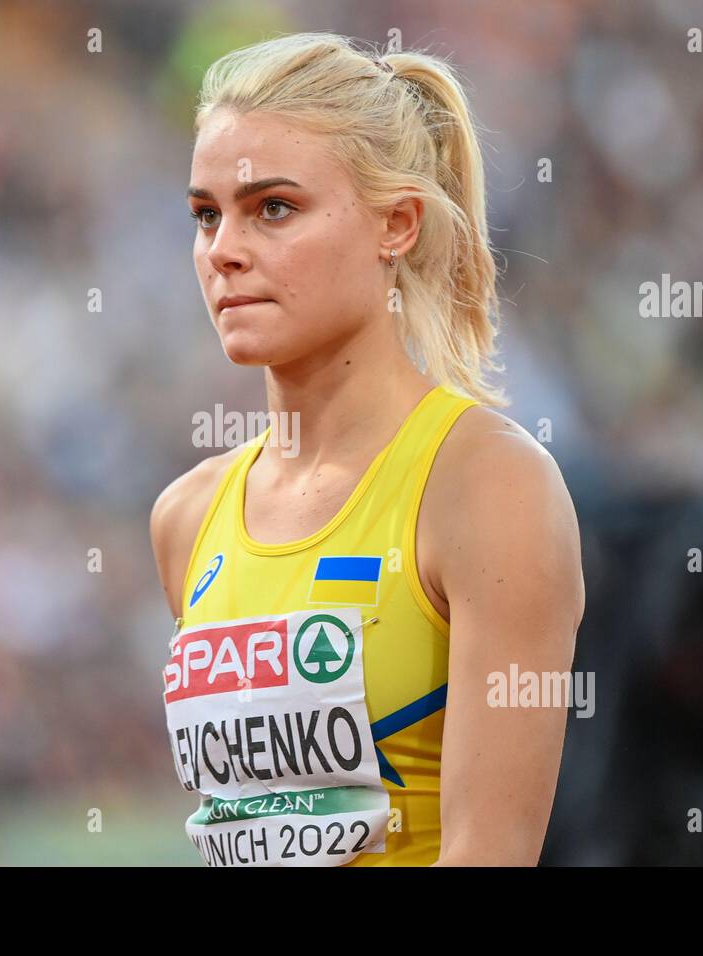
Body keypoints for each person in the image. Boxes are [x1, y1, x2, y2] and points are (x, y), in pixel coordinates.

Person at [150, 32, 585, 866]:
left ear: (397, 224)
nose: (223, 251)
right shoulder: (187, 517)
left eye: (273, 208)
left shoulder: (488, 487)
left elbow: (489, 853)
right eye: (206, 214)